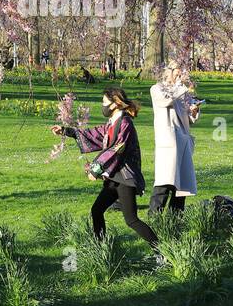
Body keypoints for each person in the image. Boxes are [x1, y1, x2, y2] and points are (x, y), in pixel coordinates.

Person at [52, 87, 157, 247]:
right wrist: (67, 131)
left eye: (104, 102)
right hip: (115, 176)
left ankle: (162, 252)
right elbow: (95, 134)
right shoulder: (113, 122)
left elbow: (116, 149)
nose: (103, 105)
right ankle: (100, 249)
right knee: (97, 210)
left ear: (115, 104)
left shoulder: (125, 123)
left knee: (131, 220)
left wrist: (96, 169)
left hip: (124, 178)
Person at [149, 62, 200, 213]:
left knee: (182, 183)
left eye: (181, 72)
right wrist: (180, 87)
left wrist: (194, 110)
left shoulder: (183, 92)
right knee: (165, 181)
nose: (180, 76)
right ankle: (154, 216)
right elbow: (165, 100)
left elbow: (190, 115)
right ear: (169, 71)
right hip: (168, 140)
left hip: (183, 139)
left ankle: (176, 218)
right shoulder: (157, 88)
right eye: (178, 72)